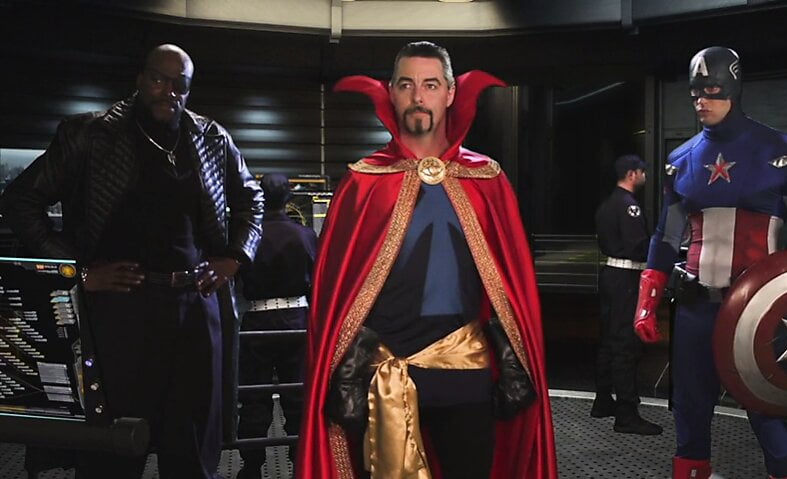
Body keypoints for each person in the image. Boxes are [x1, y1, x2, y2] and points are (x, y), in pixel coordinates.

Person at [0, 44, 263, 478]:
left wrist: (235, 257)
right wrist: (77, 272)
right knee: (113, 450)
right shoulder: (91, 134)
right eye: (158, 79)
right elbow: (20, 201)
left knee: (194, 450)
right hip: (119, 311)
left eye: (179, 85)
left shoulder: (211, 138)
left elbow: (251, 199)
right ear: (140, 80)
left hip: (195, 309)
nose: (168, 91)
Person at [296, 41, 557, 479]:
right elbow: (336, 293)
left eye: (431, 85)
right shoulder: (362, 182)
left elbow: (508, 286)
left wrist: (513, 357)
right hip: (381, 370)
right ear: (391, 92)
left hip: (464, 372)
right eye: (407, 85)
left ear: (450, 93)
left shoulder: (486, 179)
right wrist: (344, 367)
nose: (418, 97)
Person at [633, 46, 787, 479]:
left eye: (712, 91)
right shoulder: (681, 160)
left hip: (759, 312)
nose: (701, 101)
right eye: (695, 93)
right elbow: (666, 237)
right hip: (696, 307)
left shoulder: (781, 150)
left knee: (768, 410)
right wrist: (646, 300)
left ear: (734, 89)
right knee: (690, 408)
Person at [237, 173, 317, 478]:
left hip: (257, 321)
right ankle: (300, 463)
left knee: (253, 396)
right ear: (288, 199)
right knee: (297, 395)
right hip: (297, 321)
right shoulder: (305, 235)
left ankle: (251, 466)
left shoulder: (249, 235)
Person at [592, 154, 662, 436]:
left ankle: (602, 399)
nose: (645, 176)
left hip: (611, 275)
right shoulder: (629, 206)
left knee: (609, 340)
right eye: (642, 172)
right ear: (632, 174)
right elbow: (637, 247)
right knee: (625, 345)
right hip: (627, 278)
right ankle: (626, 413)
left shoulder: (608, 204)